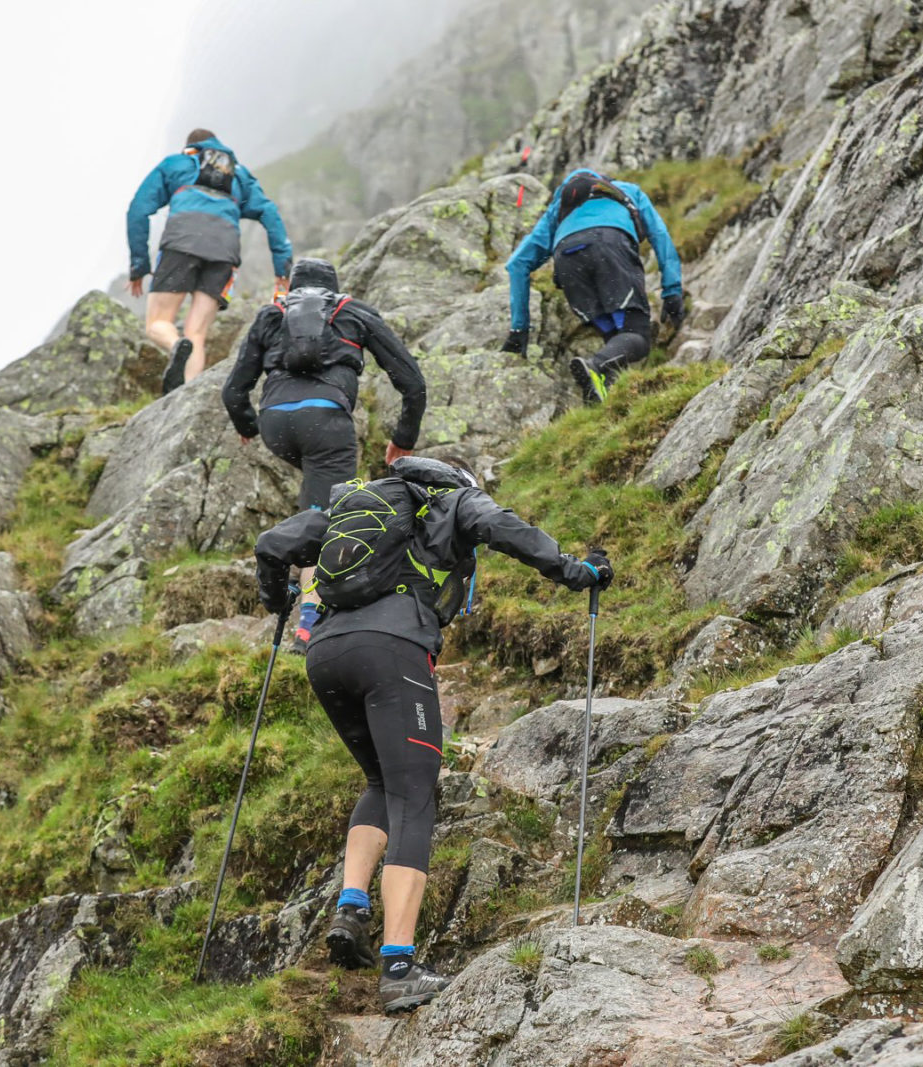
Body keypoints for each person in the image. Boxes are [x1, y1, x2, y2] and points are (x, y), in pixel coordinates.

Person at [253, 456, 613, 1013]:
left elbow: (272, 544)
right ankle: (399, 967)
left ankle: (351, 907)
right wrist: (575, 571)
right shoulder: (454, 500)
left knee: (380, 779)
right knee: (415, 797)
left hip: (325, 655)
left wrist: (277, 600)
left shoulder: (355, 505)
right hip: (392, 650)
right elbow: (506, 528)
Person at [224, 257, 427, 653]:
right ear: (333, 288)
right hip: (325, 422)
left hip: (275, 426)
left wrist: (250, 427)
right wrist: (404, 436)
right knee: (331, 518)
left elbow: (234, 392)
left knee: (316, 492)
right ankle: (308, 625)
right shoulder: (353, 312)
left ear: (293, 289)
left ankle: (294, 576)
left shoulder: (271, 314)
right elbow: (412, 382)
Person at [126, 128, 293, 393]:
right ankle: (187, 395)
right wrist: (282, 269)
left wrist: (138, 266)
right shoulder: (239, 174)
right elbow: (269, 212)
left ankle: (174, 345)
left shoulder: (176, 163)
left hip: (182, 242)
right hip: (225, 252)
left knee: (158, 323)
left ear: (190, 147)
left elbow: (138, 209)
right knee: (197, 334)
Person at [502, 168, 686, 405]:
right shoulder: (627, 191)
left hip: (567, 260)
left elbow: (517, 264)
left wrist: (519, 330)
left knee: (616, 340)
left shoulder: (558, 209)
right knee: (636, 337)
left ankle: (603, 401)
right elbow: (660, 236)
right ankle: (595, 367)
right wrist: (672, 290)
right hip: (609, 245)